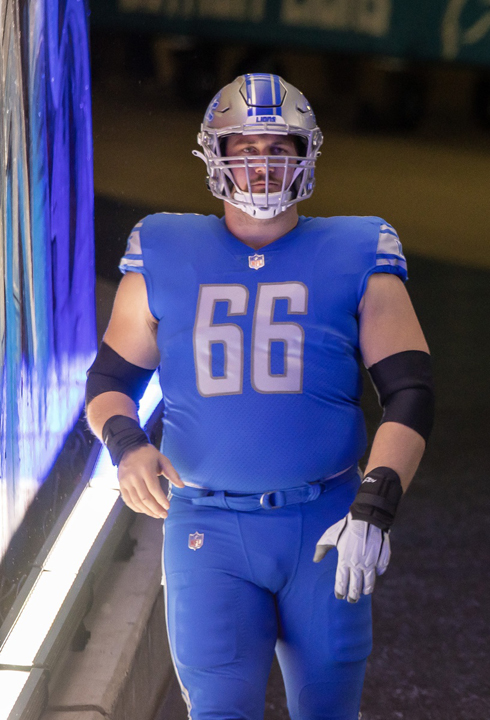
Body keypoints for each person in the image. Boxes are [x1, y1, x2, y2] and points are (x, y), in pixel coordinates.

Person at [84, 73, 434, 719]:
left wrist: (376, 504)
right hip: (206, 525)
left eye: (279, 148)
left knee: (329, 711)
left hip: (324, 521)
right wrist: (127, 445)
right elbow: (110, 382)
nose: (263, 164)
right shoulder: (164, 247)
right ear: (216, 154)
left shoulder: (358, 248)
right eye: (245, 148)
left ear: (306, 155)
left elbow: (410, 391)